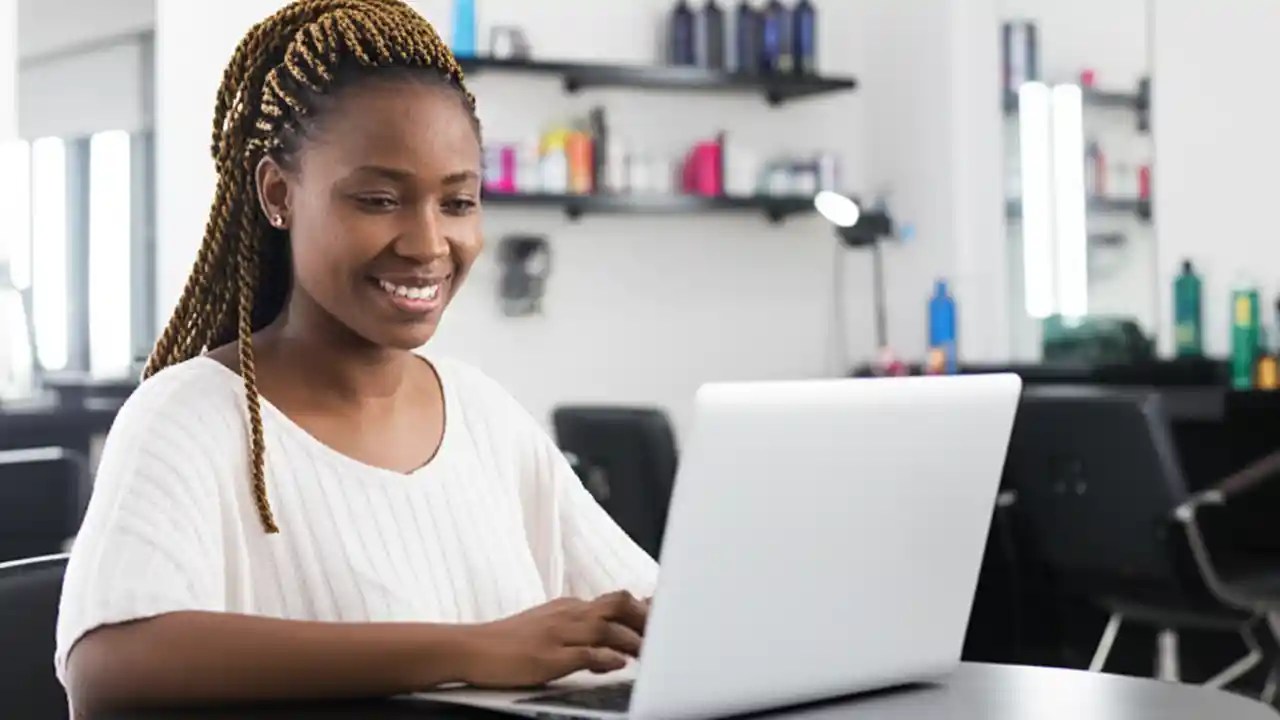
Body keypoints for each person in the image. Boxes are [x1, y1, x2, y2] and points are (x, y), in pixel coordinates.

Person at [55, 0, 657, 714]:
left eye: (459, 202)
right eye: (379, 199)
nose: (428, 243)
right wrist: (468, 647)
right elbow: (110, 669)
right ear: (278, 193)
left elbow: (642, 611)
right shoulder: (187, 416)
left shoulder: (486, 416)